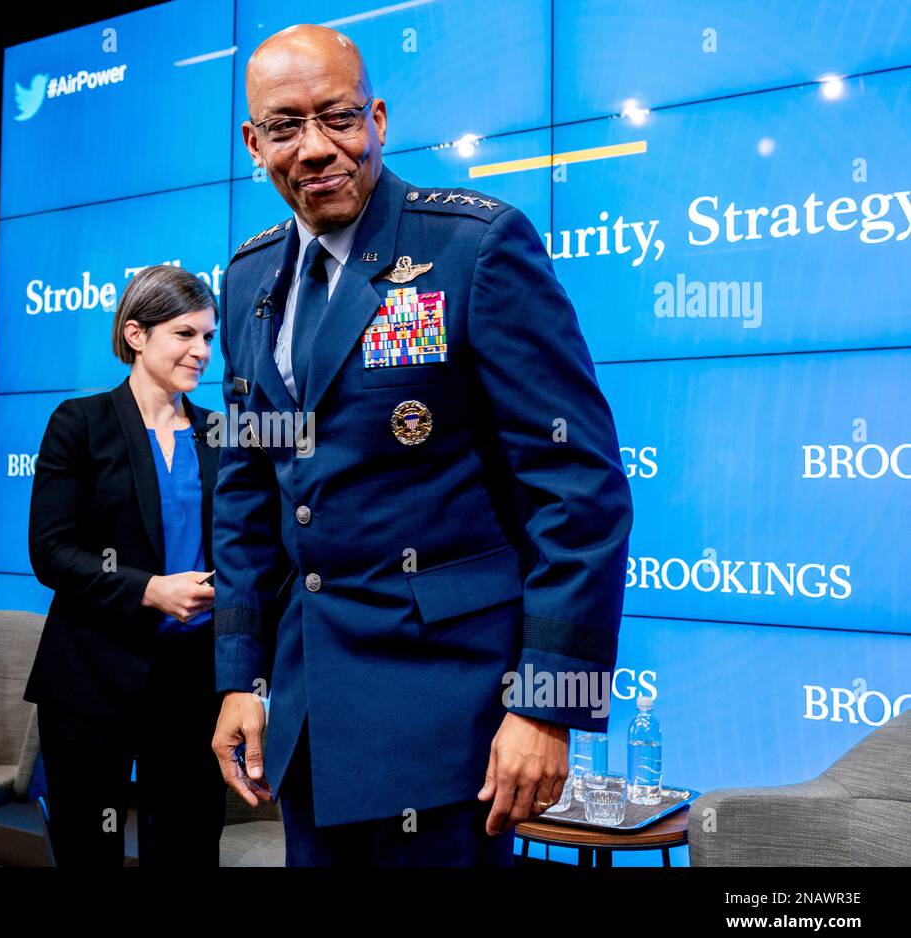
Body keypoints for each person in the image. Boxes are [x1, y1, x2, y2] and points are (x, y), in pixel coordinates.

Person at [210, 25, 634, 866]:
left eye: (337, 118)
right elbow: (248, 486)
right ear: (256, 143)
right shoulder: (247, 277)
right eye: (287, 127)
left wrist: (548, 706)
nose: (318, 148)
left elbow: (579, 486)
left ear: (376, 118)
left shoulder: (475, 247)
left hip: (454, 718)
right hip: (309, 711)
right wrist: (237, 674)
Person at [26, 265, 226, 867]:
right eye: (185, 334)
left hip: (194, 680)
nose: (202, 351)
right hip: (92, 674)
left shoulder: (221, 435)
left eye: (209, 337)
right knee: (90, 851)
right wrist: (150, 590)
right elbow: (52, 552)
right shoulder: (80, 424)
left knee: (189, 848)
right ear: (136, 335)